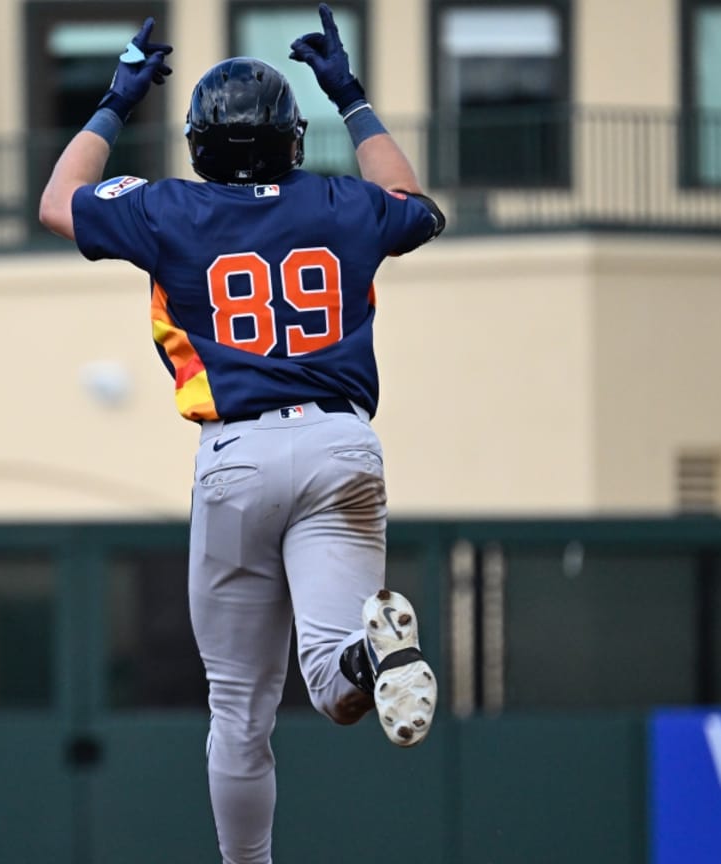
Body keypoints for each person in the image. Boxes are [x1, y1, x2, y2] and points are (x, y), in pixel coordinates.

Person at [38, 5, 445, 862]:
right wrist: (353, 96)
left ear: (198, 146)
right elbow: (413, 203)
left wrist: (116, 100)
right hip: (341, 445)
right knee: (335, 685)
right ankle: (376, 663)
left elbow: (56, 203)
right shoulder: (341, 204)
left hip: (238, 453)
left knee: (239, 709)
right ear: (294, 139)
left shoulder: (169, 212)